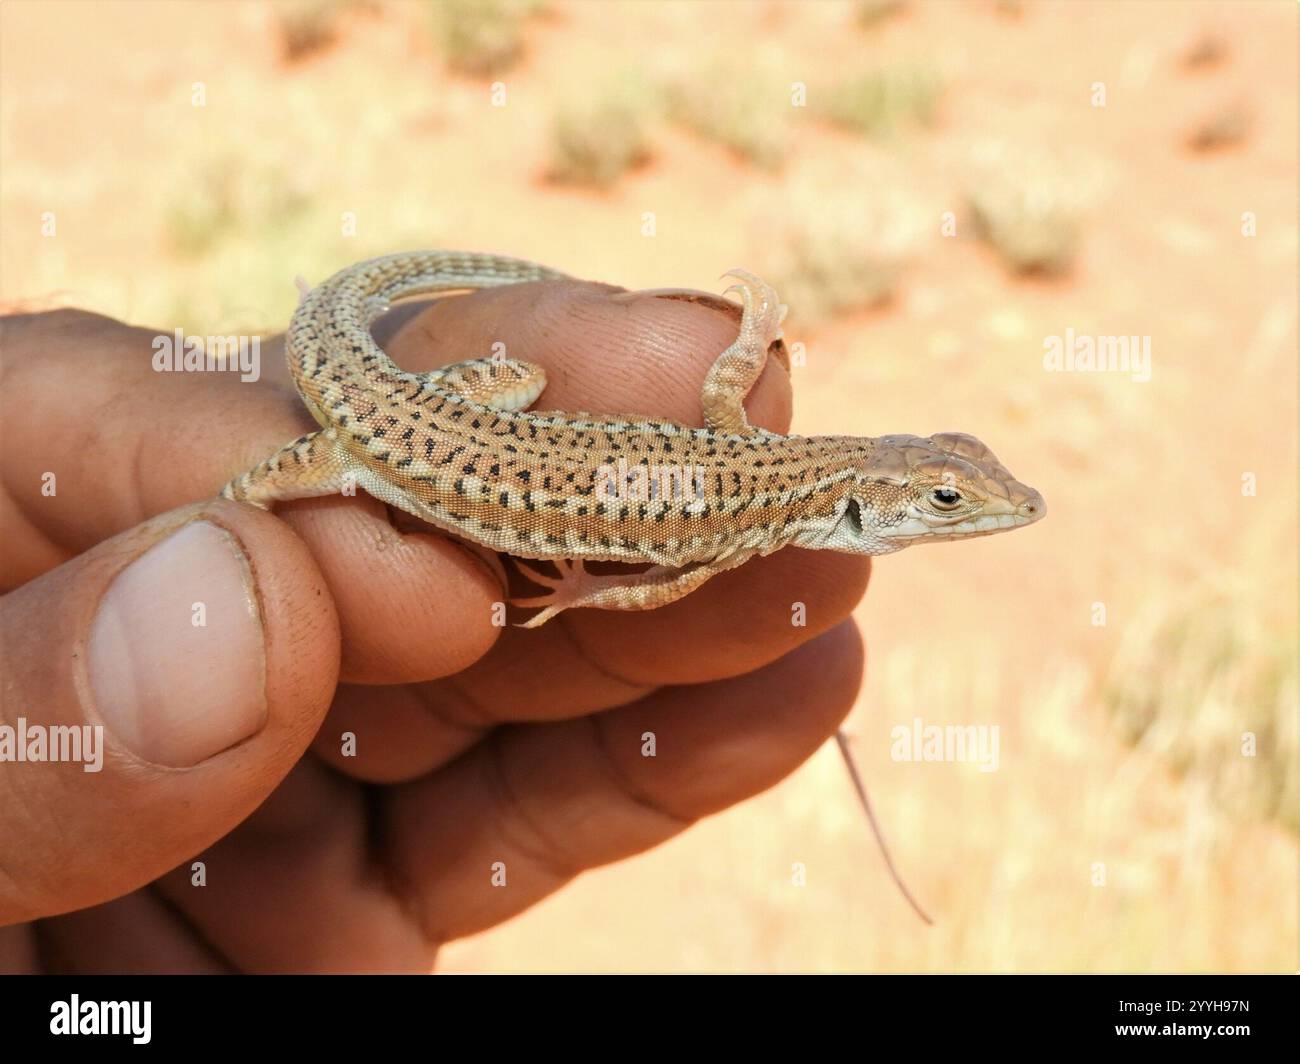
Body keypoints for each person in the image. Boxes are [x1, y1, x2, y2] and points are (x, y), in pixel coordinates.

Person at [0, 276, 869, 972]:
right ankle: (231, 517)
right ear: (862, 504)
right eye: (942, 503)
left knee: (518, 379)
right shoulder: (735, 526)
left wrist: (752, 339)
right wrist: (573, 591)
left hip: (411, 423)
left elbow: (716, 402)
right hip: (368, 451)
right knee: (256, 495)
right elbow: (645, 592)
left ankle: (330, 340)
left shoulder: (749, 455)